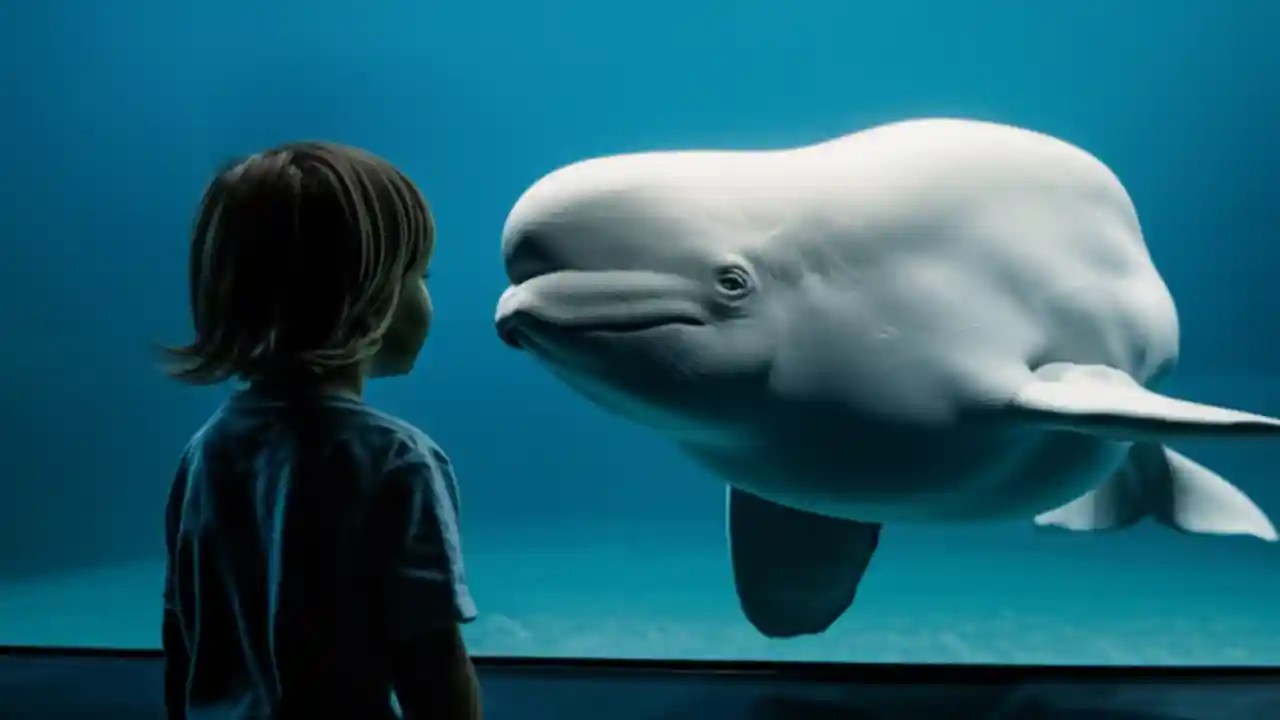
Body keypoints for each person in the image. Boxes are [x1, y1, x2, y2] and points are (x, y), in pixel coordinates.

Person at [159, 142, 481, 719]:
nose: (428, 296)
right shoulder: (397, 459)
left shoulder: (206, 450)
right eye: (418, 275)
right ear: (369, 297)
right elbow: (431, 659)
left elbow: (183, 636)